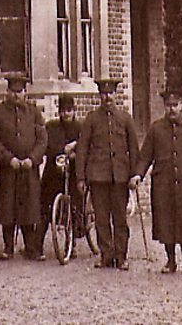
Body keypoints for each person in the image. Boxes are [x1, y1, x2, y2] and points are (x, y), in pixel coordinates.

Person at [135, 89, 182, 275]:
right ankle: (170, 260)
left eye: (175, 105)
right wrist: (138, 175)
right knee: (165, 222)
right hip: (163, 183)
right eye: (168, 106)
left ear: (181, 106)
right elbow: (145, 156)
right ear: (164, 107)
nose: (172, 109)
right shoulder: (155, 129)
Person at [75, 78, 138, 270]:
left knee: (120, 218)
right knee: (101, 218)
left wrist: (135, 175)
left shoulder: (125, 119)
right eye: (103, 94)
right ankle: (106, 255)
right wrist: (80, 177)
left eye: (110, 93)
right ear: (99, 96)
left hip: (120, 176)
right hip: (98, 176)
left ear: (116, 95)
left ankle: (121, 256)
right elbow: (83, 148)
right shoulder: (92, 119)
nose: (107, 97)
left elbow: (133, 149)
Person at [0, 72, 47, 261]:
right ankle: (8, 247)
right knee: (7, 207)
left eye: (19, 91)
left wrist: (33, 158)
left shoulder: (34, 112)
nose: (16, 95)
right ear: (7, 92)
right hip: (8, 169)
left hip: (29, 169)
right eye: (12, 91)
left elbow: (42, 139)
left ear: (25, 92)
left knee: (29, 208)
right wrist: (7, 158)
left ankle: (31, 247)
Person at [37, 93, 82, 255]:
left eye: (69, 110)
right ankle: (37, 245)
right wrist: (62, 150)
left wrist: (74, 154)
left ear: (74, 111)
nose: (66, 114)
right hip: (53, 173)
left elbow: (85, 148)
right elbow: (47, 147)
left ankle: (72, 244)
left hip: (73, 173)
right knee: (45, 206)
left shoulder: (80, 128)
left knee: (75, 204)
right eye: (63, 111)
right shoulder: (51, 127)